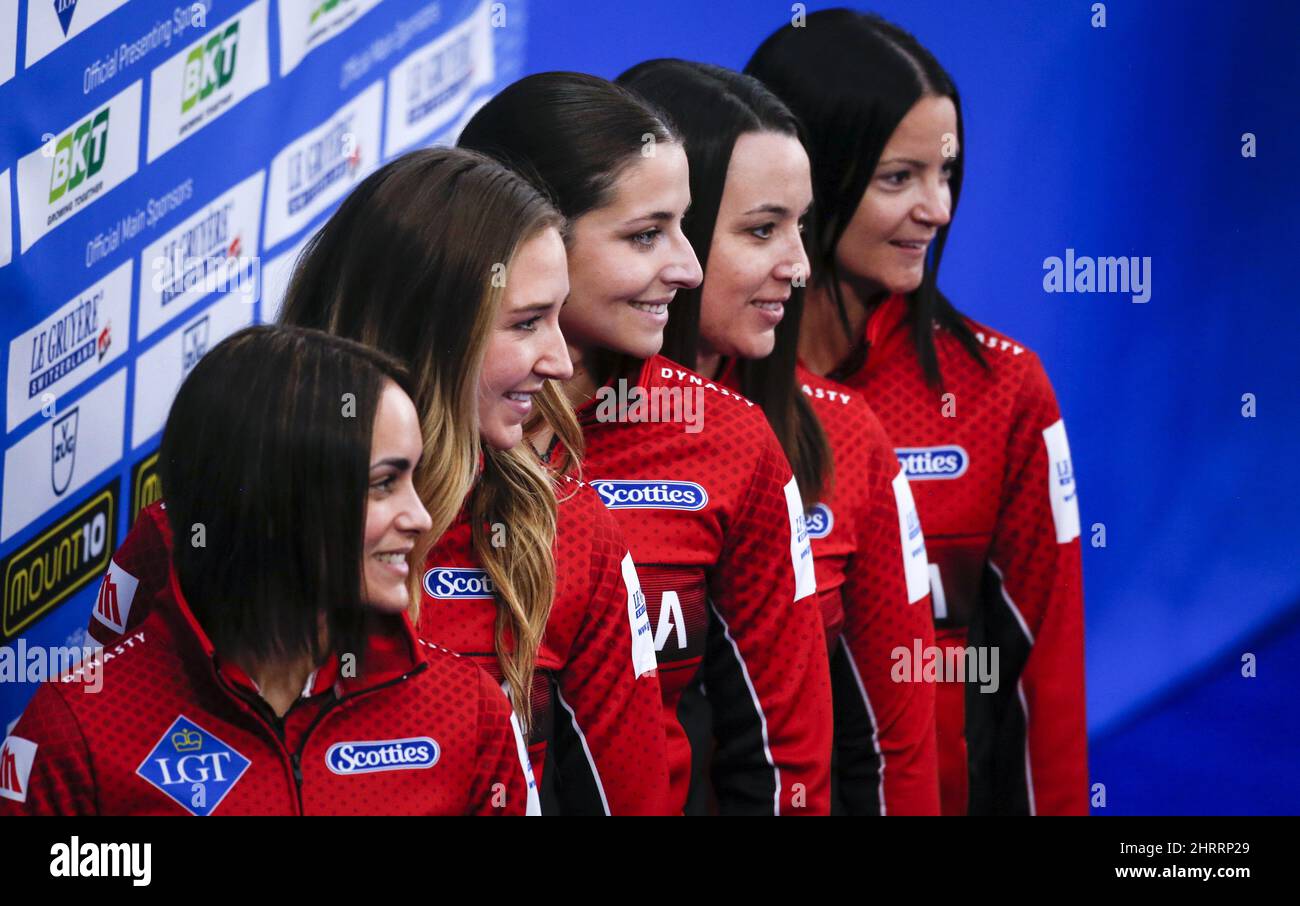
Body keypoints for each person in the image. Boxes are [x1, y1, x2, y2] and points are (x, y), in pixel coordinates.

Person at [87, 149, 671, 815]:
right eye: (526, 323)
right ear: (427, 331)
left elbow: (633, 802)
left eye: (558, 318)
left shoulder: (570, 532)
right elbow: (107, 750)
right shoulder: (191, 534)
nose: (560, 360)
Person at [460, 72, 834, 815]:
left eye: (686, 229)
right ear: (525, 234)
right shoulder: (379, 444)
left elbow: (784, 759)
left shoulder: (726, 440)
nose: (688, 269)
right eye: (644, 235)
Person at [748, 9, 1087, 815]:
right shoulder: (710, 403)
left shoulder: (1001, 389)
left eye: (946, 174)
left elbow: (1044, 682)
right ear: (807, 177)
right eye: (897, 178)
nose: (936, 210)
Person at [2, 326, 532, 815]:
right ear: (276, 500)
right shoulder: (79, 732)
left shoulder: (466, 710)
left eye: (412, 479)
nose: (420, 517)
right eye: (382, 484)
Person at [618, 59, 941, 815]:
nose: (798, 266)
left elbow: (893, 749)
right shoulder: (523, 446)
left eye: (800, 227)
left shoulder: (843, 435)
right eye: (763, 230)